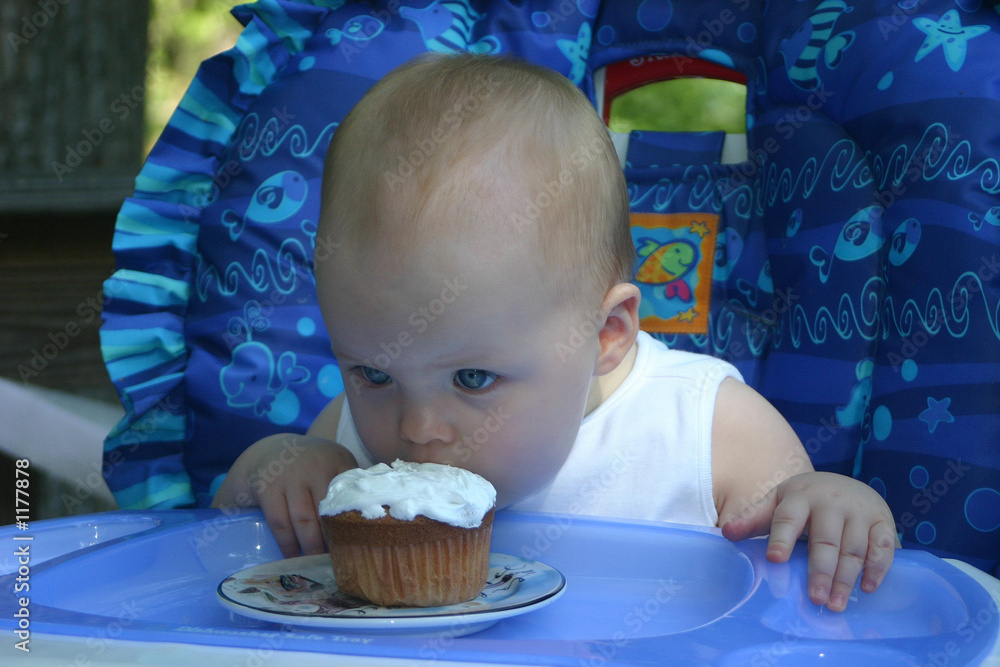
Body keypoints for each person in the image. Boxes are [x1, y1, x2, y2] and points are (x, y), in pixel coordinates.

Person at [213, 53, 896, 613]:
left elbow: (801, 580)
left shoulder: (706, 432)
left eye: (473, 378)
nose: (416, 429)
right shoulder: (351, 446)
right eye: (373, 373)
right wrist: (272, 471)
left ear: (606, 334)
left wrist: (834, 505)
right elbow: (219, 546)